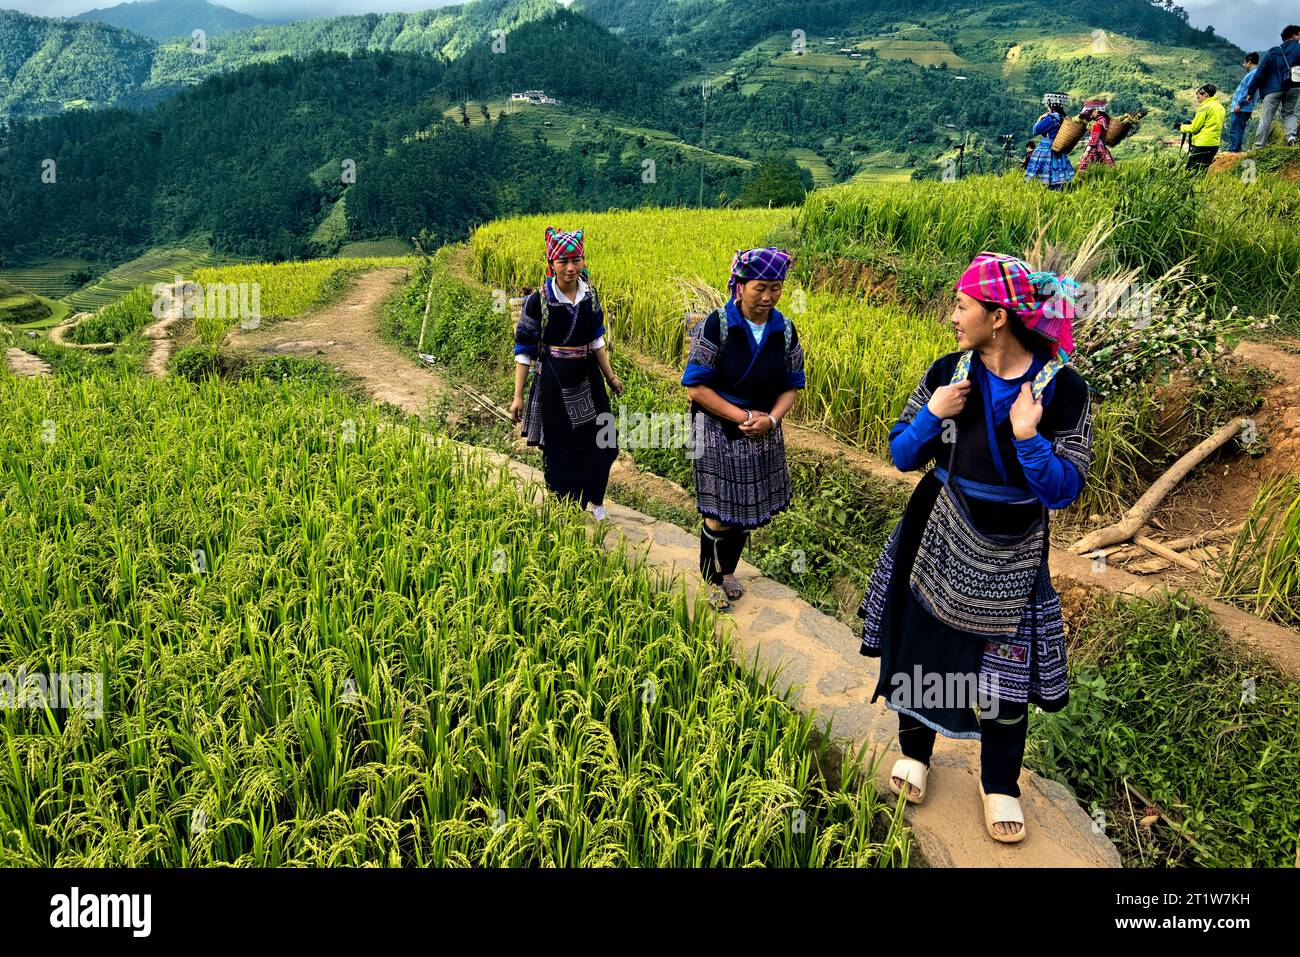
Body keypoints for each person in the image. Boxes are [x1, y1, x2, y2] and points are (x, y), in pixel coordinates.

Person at [858, 252, 1094, 843]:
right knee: (924, 648)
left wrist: (1027, 438)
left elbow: (1065, 489)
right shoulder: (948, 373)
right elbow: (902, 456)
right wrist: (931, 417)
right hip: (940, 529)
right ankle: (916, 751)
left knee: (1003, 673)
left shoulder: (1062, 389)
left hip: (1014, 548)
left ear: (998, 316)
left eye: (962, 307)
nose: (953, 317)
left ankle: (999, 784)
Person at [681, 248, 805, 611]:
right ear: (740, 287)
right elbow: (695, 387)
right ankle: (709, 579)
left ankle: (729, 570)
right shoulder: (716, 325)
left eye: (776, 288)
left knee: (745, 511)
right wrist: (741, 416)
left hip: (761, 429)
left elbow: (791, 385)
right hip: (717, 427)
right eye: (760, 288)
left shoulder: (784, 331)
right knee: (718, 514)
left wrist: (771, 419)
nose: (768, 297)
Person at [510, 227, 623, 520]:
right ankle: (567, 507)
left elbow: (597, 340)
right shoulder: (540, 301)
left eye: (576, 260)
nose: (571, 267)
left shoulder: (590, 295)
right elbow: (524, 350)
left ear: (583, 260)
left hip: (589, 379)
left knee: (605, 442)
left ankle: (596, 501)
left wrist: (610, 377)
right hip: (554, 383)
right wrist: (517, 397)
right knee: (561, 448)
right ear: (551, 264)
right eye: (563, 261)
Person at [1247, 24, 1300, 149]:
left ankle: (1259, 146)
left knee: (1266, 117)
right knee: (1289, 113)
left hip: (1273, 89)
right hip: (1293, 87)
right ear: (1293, 35)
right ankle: (1291, 136)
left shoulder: (1273, 52)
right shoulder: (1299, 49)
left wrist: (1251, 91)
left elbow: (1260, 73)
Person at [1024, 92, 1075, 189]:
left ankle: (1046, 188)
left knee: (1042, 170)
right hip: (1059, 145)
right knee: (1059, 167)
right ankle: (1060, 187)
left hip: (1047, 147)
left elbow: (1036, 130)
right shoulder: (1064, 118)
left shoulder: (1051, 118)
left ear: (1050, 105)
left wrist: (1040, 118)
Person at [1182, 84, 1226, 172]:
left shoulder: (1205, 107)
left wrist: (1181, 127)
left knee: (1190, 171)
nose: (1198, 101)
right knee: (1203, 171)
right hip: (1214, 144)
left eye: (1199, 98)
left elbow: (1194, 128)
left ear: (1205, 94)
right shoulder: (1220, 107)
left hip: (1202, 144)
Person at [1228, 52, 1261, 152]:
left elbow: (1247, 90)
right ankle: (1234, 148)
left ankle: (1234, 150)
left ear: (1249, 62)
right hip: (1243, 107)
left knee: (1236, 129)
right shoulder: (1254, 73)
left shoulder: (1253, 73)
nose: (1244, 65)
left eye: (1244, 63)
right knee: (1238, 129)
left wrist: (1239, 103)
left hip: (1242, 107)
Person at [1076, 99, 1115, 172]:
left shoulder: (1098, 122)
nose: (1090, 114)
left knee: (1084, 164)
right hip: (1101, 144)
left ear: (1097, 111)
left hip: (1096, 145)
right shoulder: (1103, 120)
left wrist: (1087, 151)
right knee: (1106, 163)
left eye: (1091, 112)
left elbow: (1094, 137)